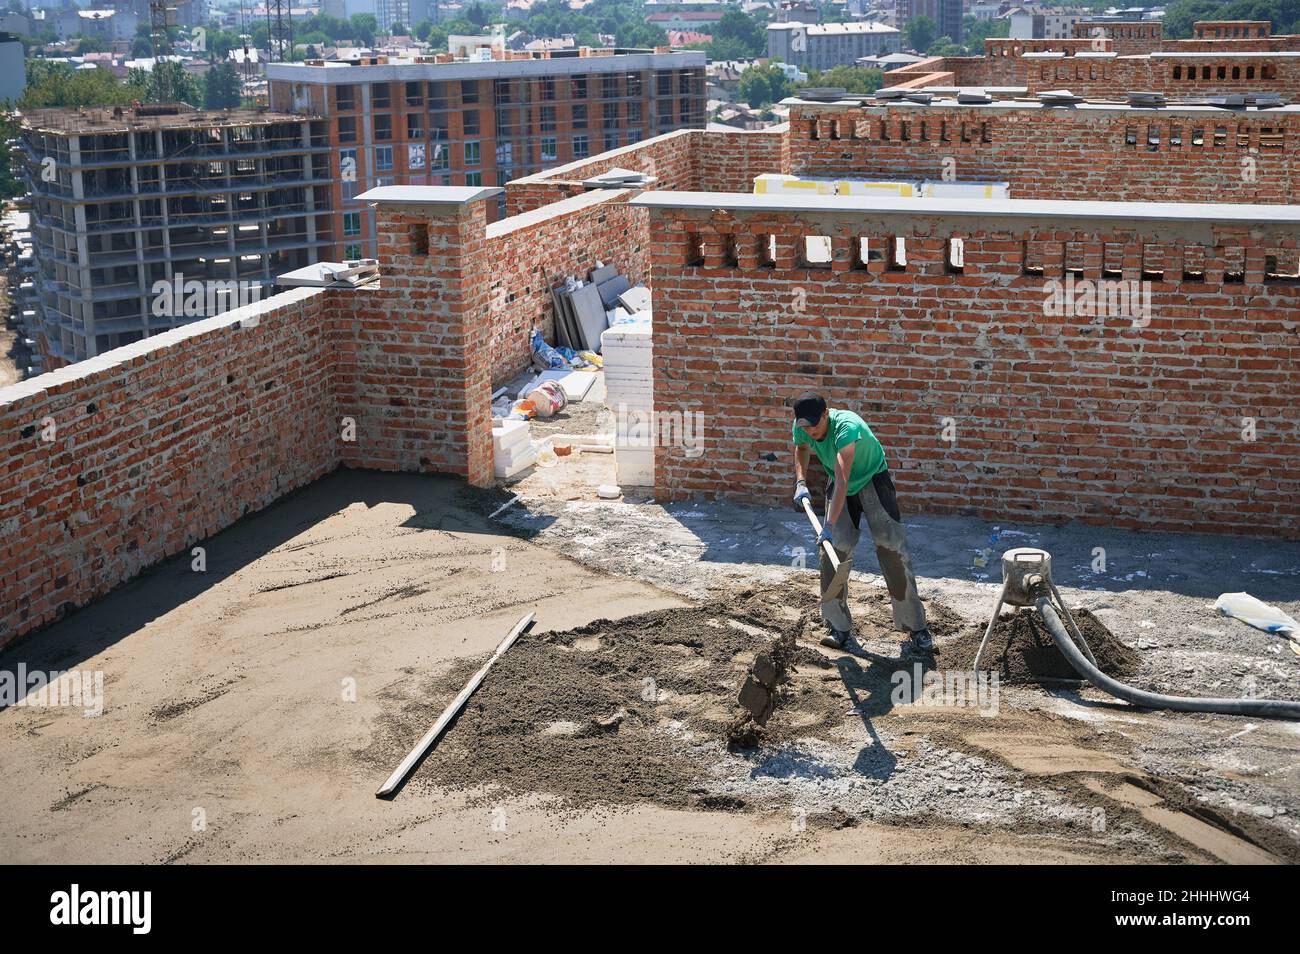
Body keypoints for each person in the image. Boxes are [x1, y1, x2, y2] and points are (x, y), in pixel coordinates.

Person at [791, 391, 932, 653]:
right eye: (804, 425)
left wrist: (829, 526)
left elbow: (844, 480)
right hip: (840, 479)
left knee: (891, 548)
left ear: (826, 414)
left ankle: (916, 628)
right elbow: (801, 449)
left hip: (871, 479)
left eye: (815, 424)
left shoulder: (847, 426)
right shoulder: (802, 425)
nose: (810, 430)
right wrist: (800, 482)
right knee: (833, 551)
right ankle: (838, 627)